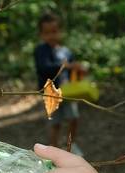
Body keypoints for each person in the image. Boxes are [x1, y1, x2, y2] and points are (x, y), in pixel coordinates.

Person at [34, 13, 84, 154]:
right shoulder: (40, 50)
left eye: (54, 31)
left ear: (60, 31)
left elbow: (72, 71)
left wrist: (79, 71)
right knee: (54, 123)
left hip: (68, 91)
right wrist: (65, 66)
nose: (51, 36)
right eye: (47, 33)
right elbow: (43, 67)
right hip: (50, 92)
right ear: (41, 34)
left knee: (73, 118)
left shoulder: (66, 51)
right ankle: (54, 149)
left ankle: (70, 144)